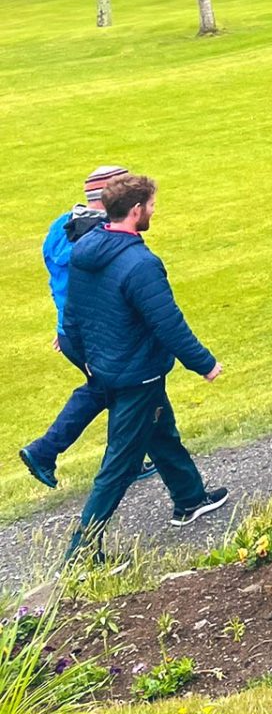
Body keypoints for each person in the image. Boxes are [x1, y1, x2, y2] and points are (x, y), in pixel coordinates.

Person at [62, 174, 226, 562]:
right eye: (151, 205)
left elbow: (72, 318)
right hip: (137, 374)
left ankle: (189, 498)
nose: (154, 210)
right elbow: (166, 322)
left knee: (161, 431)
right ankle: (81, 554)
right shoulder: (141, 263)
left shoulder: (84, 250)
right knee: (119, 463)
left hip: (108, 366)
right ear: (136, 211)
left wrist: (85, 360)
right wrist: (204, 363)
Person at [20, 164, 155, 491]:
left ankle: (133, 462)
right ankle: (44, 450)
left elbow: (58, 280)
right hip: (93, 333)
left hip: (72, 329)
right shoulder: (103, 236)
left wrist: (64, 324)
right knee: (111, 389)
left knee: (121, 391)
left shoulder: (60, 226)